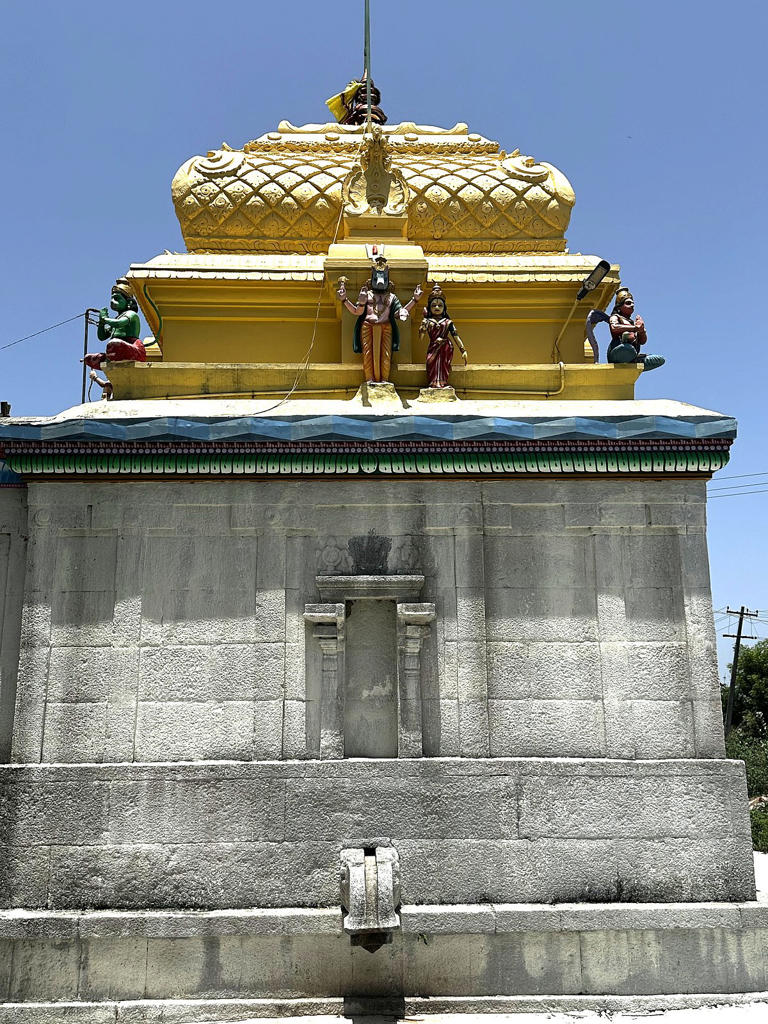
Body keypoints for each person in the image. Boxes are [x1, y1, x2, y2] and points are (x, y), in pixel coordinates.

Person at [338, 257, 422, 383]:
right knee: (367, 354)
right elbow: (357, 311)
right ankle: (369, 379)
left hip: (386, 326)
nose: (380, 282)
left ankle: (384, 380)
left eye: (384, 278)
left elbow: (399, 312)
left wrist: (414, 300)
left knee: (386, 355)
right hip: (367, 326)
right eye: (376, 278)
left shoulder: (392, 297)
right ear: (372, 279)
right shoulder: (367, 295)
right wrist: (345, 300)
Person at [82, 279, 146, 369]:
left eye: (116, 298)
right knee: (88, 358)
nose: (112, 301)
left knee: (114, 343)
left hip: (132, 349)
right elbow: (102, 336)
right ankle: (111, 358)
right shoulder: (116, 318)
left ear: (129, 302)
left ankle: (112, 358)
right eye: (112, 298)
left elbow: (119, 324)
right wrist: (101, 322)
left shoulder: (131, 314)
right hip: (116, 349)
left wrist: (105, 319)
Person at [420, 285, 468, 388]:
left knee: (444, 365)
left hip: (445, 348)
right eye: (433, 305)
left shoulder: (448, 322)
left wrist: (463, 350)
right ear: (429, 308)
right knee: (430, 363)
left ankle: (442, 383)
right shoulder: (428, 321)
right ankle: (433, 383)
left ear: (444, 308)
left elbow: (456, 336)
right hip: (433, 347)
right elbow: (421, 338)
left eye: (440, 305)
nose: (437, 308)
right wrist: (423, 328)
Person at [607, 288, 665, 371]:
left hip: (633, 353)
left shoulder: (633, 322)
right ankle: (629, 358)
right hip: (619, 350)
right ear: (619, 306)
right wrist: (635, 328)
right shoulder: (615, 317)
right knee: (627, 348)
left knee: (659, 359)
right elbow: (614, 327)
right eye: (628, 303)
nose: (632, 305)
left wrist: (642, 331)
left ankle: (633, 360)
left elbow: (642, 341)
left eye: (633, 303)